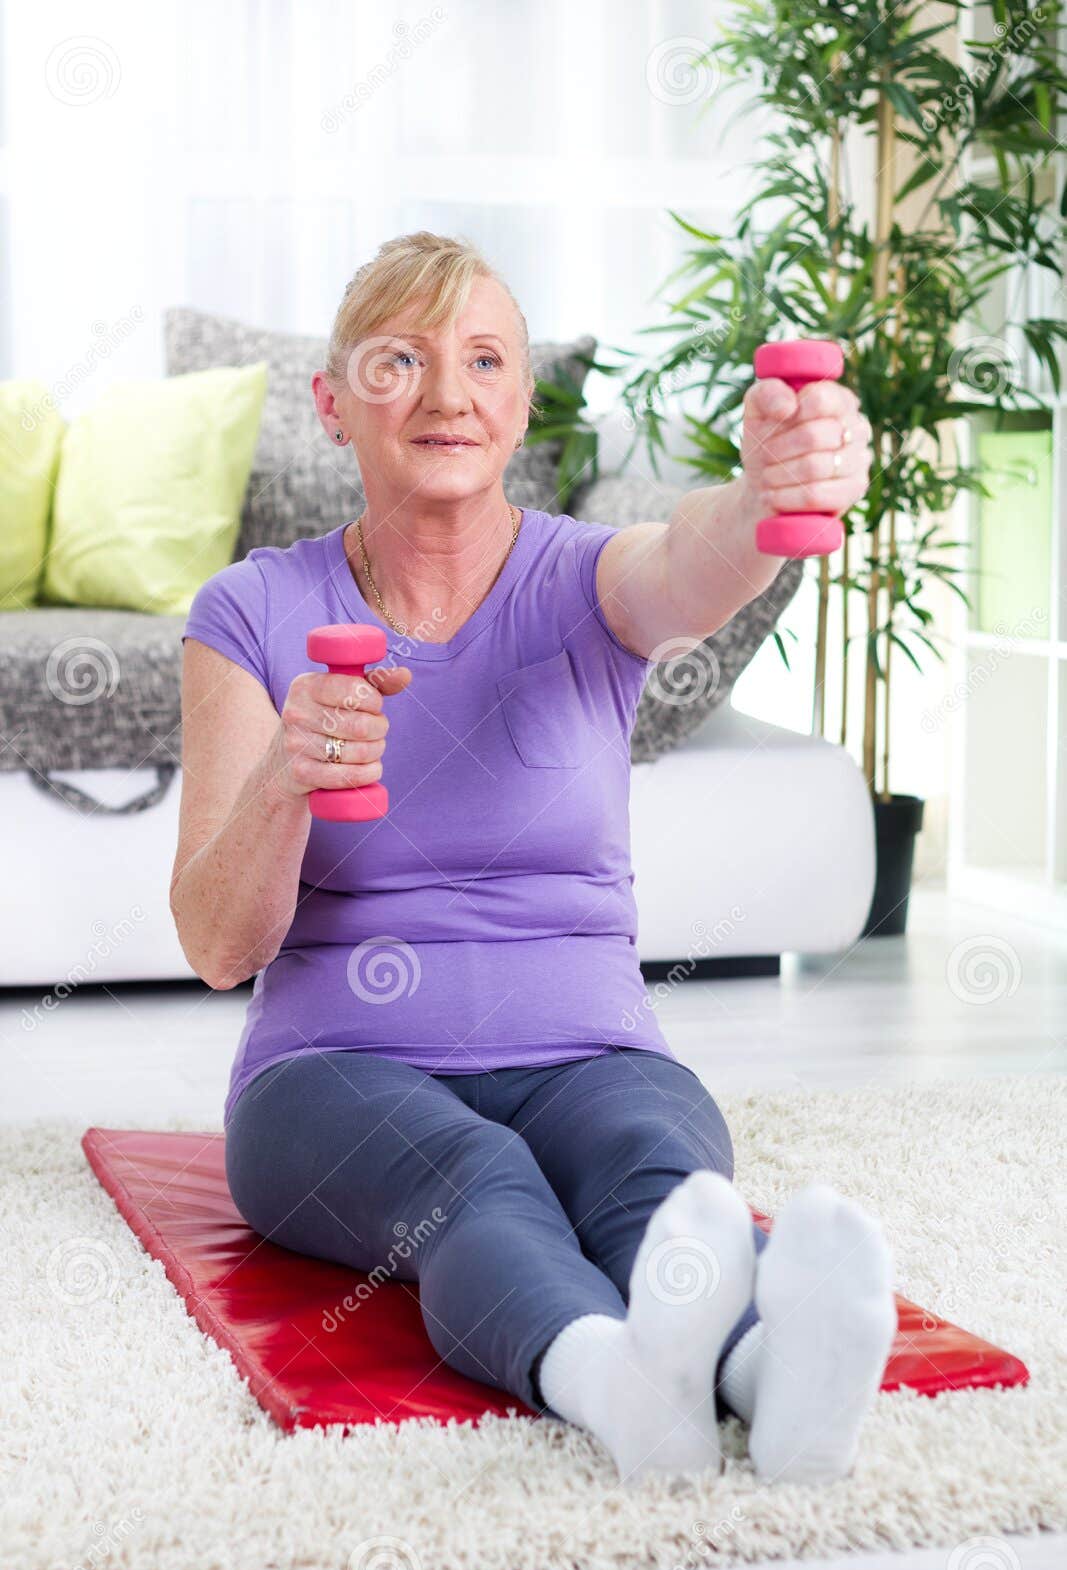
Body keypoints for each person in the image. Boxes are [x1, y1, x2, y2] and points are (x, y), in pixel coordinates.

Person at [172, 230, 894, 1486]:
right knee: (476, 1177)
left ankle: (766, 1376)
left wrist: (769, 495)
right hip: (330, 1074)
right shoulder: (251, 610)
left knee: (655, 1172)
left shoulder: (584, 579)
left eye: (484, 359)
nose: (448, 394)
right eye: (400, 361)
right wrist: (289, 773)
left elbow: (696, 559)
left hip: (591, 1049)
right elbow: (217, 946)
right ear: (331, 405)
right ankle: (617, 1388)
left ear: (519, 401)